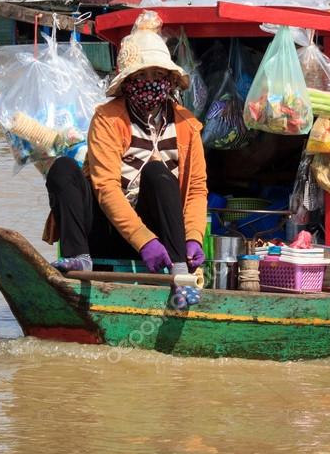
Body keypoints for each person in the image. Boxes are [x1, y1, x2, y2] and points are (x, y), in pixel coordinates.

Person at [43, 17, 208, 307]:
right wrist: (143, 240)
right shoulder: (108, 118)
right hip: (111, 231)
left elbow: (195, 188)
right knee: (62, 168)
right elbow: (105, 187)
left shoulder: (186, 124)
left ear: (169, 81)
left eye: (157, 75)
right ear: (128, 82)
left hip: (163, 241)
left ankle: (181, 277)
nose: (150, 83)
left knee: (158, 171)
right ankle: (79, 258)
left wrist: (193, 236)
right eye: (141, 76)